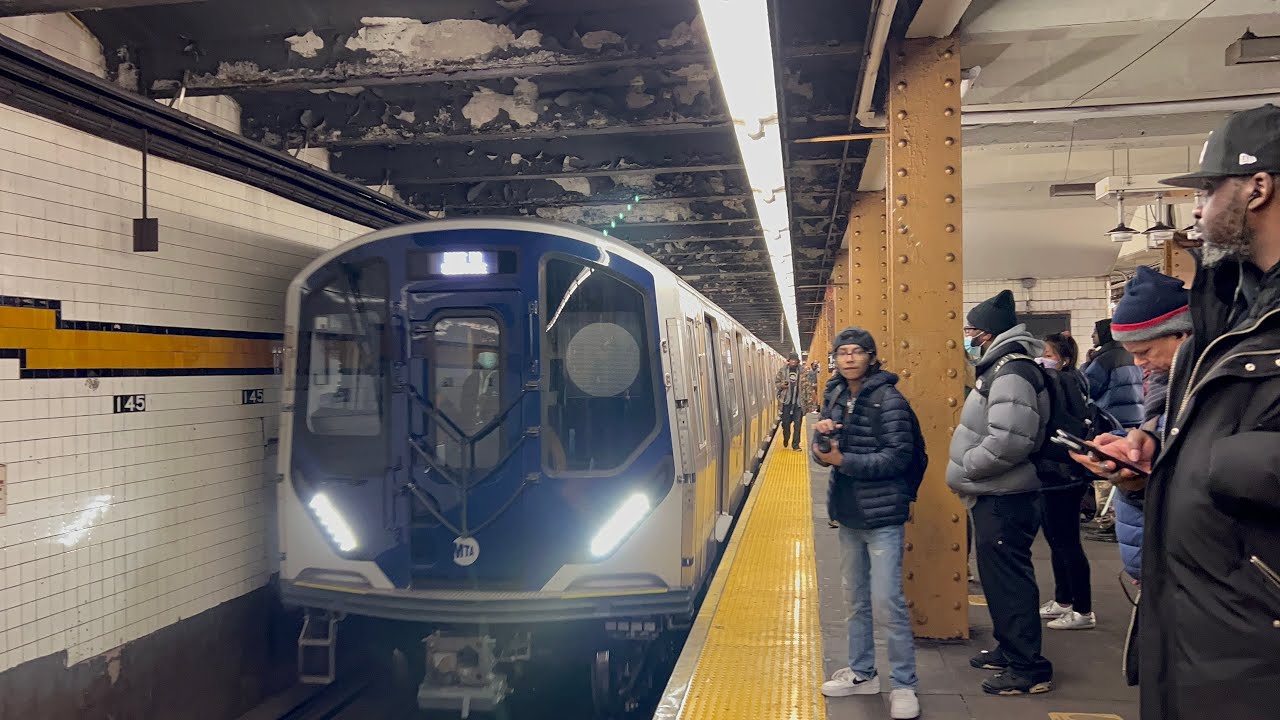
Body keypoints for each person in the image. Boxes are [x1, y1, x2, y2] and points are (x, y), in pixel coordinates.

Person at [1073, 104, 1280, 720]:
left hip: (1254, 650)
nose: (1194, 210)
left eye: (1208, 190)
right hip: (1199, 634)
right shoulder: (1224, 322)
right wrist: (1152, 469)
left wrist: (1214, 461)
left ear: (1258, 188)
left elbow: (1242, 461)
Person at [947, 289, 1054, 696]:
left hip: (1006, 494)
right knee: (999, 579)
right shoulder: (1003, 366)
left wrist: (970, 465)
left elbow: (1011, 439)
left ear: (987, 333)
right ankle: (1009, 650)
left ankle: (1028, 668)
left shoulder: (1010, 372)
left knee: (1010, 581)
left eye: (970, 330)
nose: (967, 336)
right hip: (999, 492)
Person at [814, 327, 920, 720]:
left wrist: (844, 461)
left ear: (872, 357)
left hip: (883, 515)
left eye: (857, 351)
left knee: (888, 601)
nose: (849, 358)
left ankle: (905, 685)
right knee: (854, 600)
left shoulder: (890, 400)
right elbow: (825, 455)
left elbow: (899, 457)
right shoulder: (835, 395)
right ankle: (863, 673)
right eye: (842, 352)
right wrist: (821, 441)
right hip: (848, 513)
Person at [1033, 333, 1096, 631]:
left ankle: (1083, 610)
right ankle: (1064, 600)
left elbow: (1061, 424)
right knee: (1057, 539)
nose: (1042, 359)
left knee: (1066, 541)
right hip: (1062, 471)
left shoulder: (1065, 381)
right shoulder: (1074, 380)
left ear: (1065, 360)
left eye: (1048, 354)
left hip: (1062, 472)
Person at [775, 352, 814, 450]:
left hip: (799, 403)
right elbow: (777, 383)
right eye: (792, 360)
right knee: (785, 423)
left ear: (797, 361)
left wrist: (809, 404)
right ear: (789, 360)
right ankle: (786, 437)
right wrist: (782, 385)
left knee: (798, 425)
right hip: (786, 402)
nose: (793, 361)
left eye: (795, 360)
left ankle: (796, 445)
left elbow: (808, 388)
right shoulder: (782, 371)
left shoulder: (803, 372)